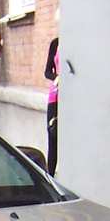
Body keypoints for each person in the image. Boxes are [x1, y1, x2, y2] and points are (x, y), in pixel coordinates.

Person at [44, 36, 59, 176]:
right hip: (55, 98)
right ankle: (51, 176)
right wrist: (57, 78)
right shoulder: (56, 43)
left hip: (72, 98)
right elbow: (47, 72)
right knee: (53, 138)